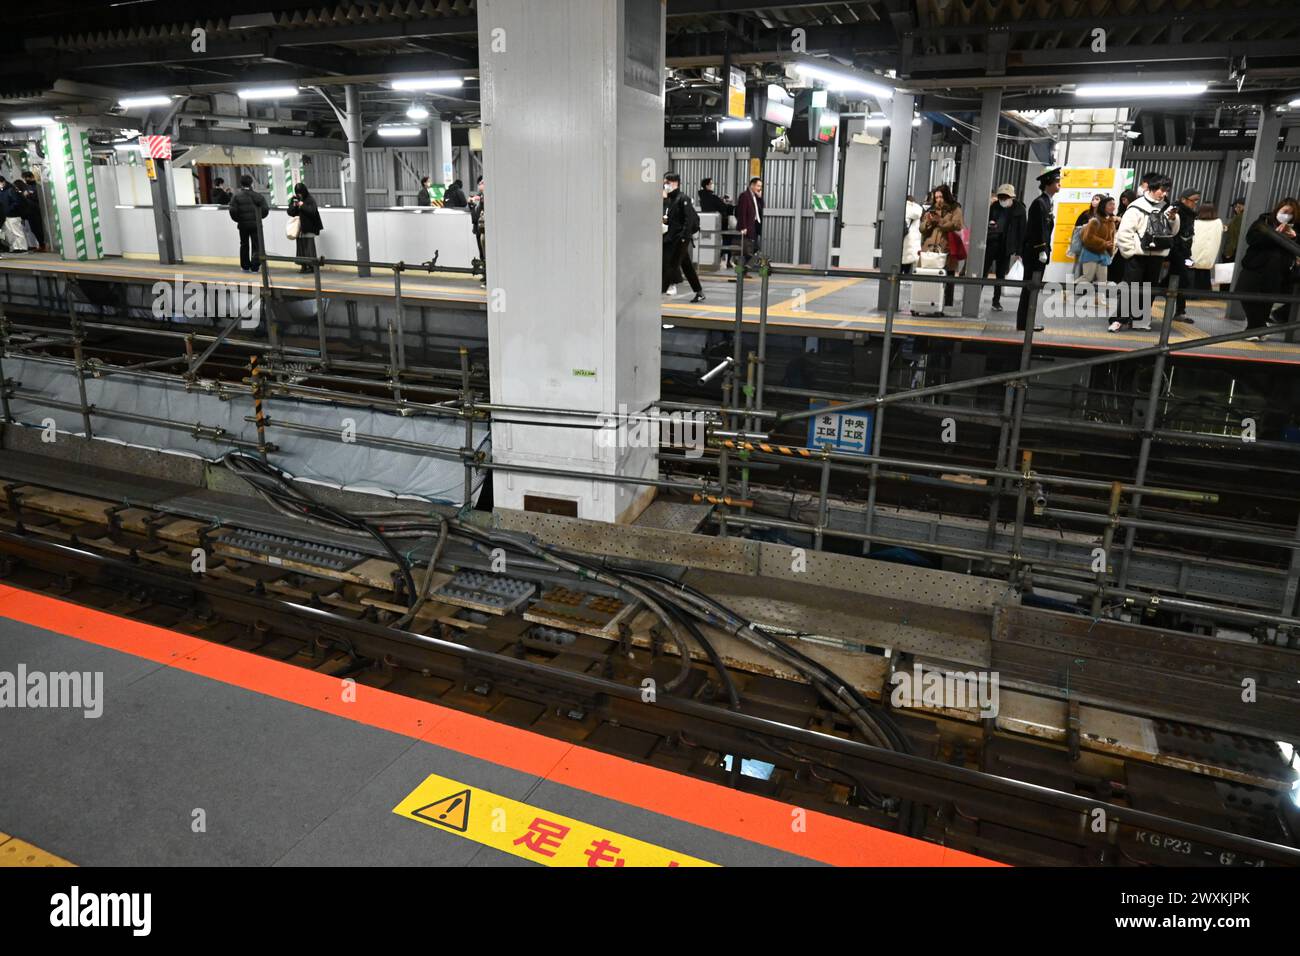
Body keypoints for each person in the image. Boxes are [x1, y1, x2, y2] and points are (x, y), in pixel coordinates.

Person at [1114, 173, 1179, 333]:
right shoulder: (1136, 206)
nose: (1164, 194)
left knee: (1149, 290)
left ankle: (1141, 320)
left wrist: (1173, 219)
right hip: (1136, 256)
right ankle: (1121, 319)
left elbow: (1174, 232)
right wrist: (1130, 252)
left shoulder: (1167, 207)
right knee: (1130, 287)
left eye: (1166, 191)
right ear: (1152, 188)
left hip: (1156, 256)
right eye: (1161, 190)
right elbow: (1124, 232)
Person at [1234, 196, 1299, 338]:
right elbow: (1251, 239)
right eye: (1285, 211)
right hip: (1254, 265)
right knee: (1244, 293)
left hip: (1277, 269)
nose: (1287, 216)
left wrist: (1293, 237)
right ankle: (1258, 327)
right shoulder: (1263, 221)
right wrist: (1274, 234)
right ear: (1278, 209)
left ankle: (1255, 329)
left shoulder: (1295, 229)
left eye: (1291, 214)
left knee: (1266, 299)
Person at [1017, 167, 1060, 332]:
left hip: (1038, 252)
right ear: (1048, 184)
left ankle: (1026, 322)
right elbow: (1038, 229)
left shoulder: (1046, 201)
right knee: (1030, 289)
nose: (1059, 184)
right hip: (1035, 253)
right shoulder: (1039, 203)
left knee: (1032, 289)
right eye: (1056, 181)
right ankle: (1024, 323)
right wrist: (1042, 249)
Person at [920, 184, 965, 306]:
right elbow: (922, 229)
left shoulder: (955, 208)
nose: (938, 200)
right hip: (930, 248)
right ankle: (929, 302)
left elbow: (957, 225)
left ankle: (948, 304)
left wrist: (940, 221)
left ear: (946, 196)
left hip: (947, 247)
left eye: (941, 197)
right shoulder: (930, 209)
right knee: (929, 276)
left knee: (948, 277)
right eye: (936, 197)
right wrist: (928, 222)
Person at [662, 173, 704, 302]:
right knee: (686, 266)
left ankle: (663, 289)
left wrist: (684, 238)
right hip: (673, 237)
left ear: (675, 183)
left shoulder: (683, 198)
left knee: (670, 264)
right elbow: (675, 219)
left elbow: (688, 219)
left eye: (667, 182)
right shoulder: (670, 199)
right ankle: (699, 292)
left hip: (680, 239)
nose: (665, 185)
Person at [985, 183, 1026, 311]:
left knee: (1000, 275)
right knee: (984, 271)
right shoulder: (995, 206)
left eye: (1005, 197)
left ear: (1012, 197)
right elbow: (988, 221)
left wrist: (1020, 251)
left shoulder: (1019, 209)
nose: (1003, 199)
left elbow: (1022, 231)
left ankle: (996, 301)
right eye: (1001, 197)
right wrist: (990, 224)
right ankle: (974, 297)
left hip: (1006, 245)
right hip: (992, 242)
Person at [1078, 195, 1118, 320]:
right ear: (1103, 206)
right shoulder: (1095, 221)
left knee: (1102, 279)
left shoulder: (1111, 221)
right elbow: (1087, 238)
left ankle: (1099, 299)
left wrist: (1110, 249)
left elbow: (1112, 237)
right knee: (1087, 277)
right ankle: (1067, 289)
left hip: (1103, 253)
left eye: (1113, 204)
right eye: (1110, 204)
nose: (1113, 206)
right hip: (1091, 252)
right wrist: (1103, 243)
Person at [1167, 187, 1201, 321]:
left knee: (1178, 281)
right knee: (1181, 280)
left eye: (1197, 201)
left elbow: (1188, 236)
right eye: (1193, 200)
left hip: (1183, 253)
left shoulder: (1189, 213)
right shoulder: (1176, 210)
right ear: (1183, 199)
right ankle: (1180, 311)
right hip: (1174, 252)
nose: (1195, 204)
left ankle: (1180, 311)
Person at [227, 174, 269, 272]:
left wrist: (238, 219)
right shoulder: (258, 196)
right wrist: (259, 218)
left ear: (241, 184)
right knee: (256, 245)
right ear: (251, 183)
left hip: (243, 225)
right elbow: (265, 209)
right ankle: (255, 267)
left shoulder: (236, 197)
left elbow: (232, 211)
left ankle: (245, 266)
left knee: (244, 244)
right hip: (256, 225)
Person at [287, 182, 323, 273]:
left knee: (309, 247)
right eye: (297, 192)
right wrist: (294, 206)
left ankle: (312, 266)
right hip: (299, 228)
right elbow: (290, 212)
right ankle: (303, 265)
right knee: (301, 247)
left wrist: (302, 205)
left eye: (300, 192)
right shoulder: (294, 199)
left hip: (309, 227)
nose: (299, 194)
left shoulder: (310, 199)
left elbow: (312, 211)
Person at [1190, 202, 1224, 291]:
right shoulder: (1218, 222)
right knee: (1204, 272)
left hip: (1194, 254)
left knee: (1193, 273)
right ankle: (1204, 293)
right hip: (1210, 255)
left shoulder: (1195, 222)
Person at [1108, 189, 1138, 284]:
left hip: (1128, 243)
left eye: (1125, 199)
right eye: (1122, 199)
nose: (1123, 202)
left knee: (1122, 268)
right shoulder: (1121, 211)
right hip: (1117, 243)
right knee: (1114, 267)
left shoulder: (1134, 211)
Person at [735, 177, 764, 267]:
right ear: (752, 185)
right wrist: (743, 227)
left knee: (754, 248)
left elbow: (760, 208)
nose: (759, 188)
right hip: (748, 226)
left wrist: (759, 198)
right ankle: (743, 266)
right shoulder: (745, 195)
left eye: (760, 186)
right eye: (758, 186)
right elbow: (742, 212)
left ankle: (746, 266)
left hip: (754, 225)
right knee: (750, 248)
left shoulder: (754, 196)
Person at [0, 177, 29, 254]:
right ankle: (16, 247)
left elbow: (17, 202)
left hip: (13, 215)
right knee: (10, 232)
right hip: (5, 216)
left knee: (17, 231)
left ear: (3, 182)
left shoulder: (11, 190)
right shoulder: (2, 191)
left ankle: (22, 247)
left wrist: (9, 209)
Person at [19, 170, 46, 251]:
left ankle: (43, 245)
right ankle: (41, 245)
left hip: (36, 211)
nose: (25, 179)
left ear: (30, 177)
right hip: (29, 212)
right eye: (24, 178)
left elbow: (39, 198)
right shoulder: (26, 186)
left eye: (26, 178)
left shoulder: (36, 186)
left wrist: (29, 195)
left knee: (39, 229)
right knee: (33, 229)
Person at [469, 176, 486, 284]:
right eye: (480, 183)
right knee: (482, 253)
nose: (480, 185)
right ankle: (484, 274)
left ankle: (488, 276)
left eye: (482, 183)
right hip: (478, 228)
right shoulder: (478, 197)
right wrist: (471, 203)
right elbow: (474, 214)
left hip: (484, 229)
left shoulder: (483, 199)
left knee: (486, 253)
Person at [901, 195, 923, 274]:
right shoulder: (918, 209)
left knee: (901, 260)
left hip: (904, 238)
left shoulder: (903, 208)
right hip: (913, 240)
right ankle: (906, 278)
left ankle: (898, 280)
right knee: (909, 260)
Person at [1223, 196, 1246, 261]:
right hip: (1236, 250)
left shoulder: (1239, 217)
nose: (1235, 209)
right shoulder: (1240, 217)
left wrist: (1229, 252)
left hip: (1232, 252)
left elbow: (1234, 236)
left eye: (1237, 207)